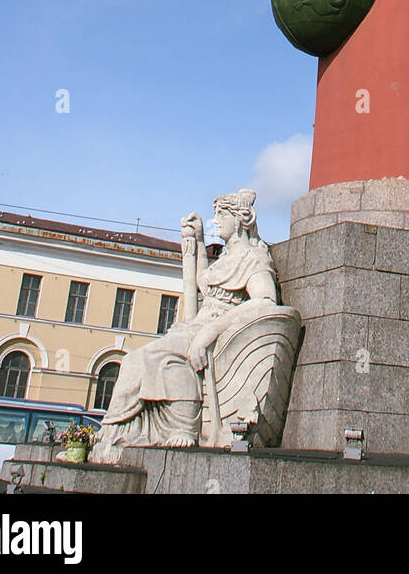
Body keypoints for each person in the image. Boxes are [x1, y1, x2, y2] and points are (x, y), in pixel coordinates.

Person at [93, 189, 278, 456]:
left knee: (143, 360)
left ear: (239, 219)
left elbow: (265, 301)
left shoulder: (253, 258)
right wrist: (198, 242)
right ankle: (112, 437)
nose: (216, 221)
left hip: (213, 327)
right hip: (195, 326)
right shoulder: (226, 258)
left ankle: (180, 428)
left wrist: (211, 332)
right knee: (137, 360)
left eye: (221, 214)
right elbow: (204, 283)